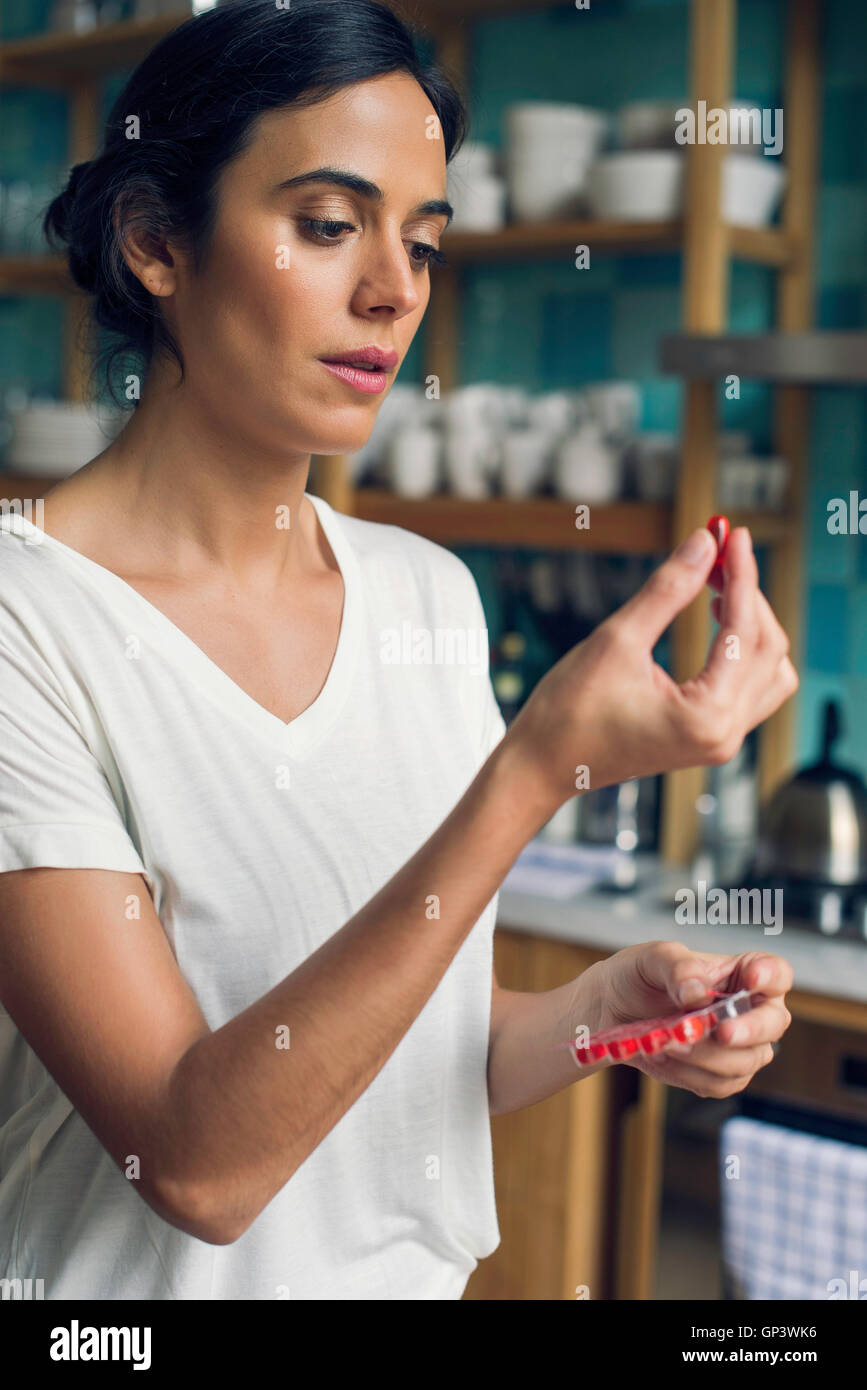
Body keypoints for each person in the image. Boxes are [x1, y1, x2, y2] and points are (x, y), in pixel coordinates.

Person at [0, 0, 797, 1300]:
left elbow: (395, 1052)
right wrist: (536, 764)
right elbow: (196, 1159)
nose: (395, 289)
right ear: (155, 240)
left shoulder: (424, 595)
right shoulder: (27, 620)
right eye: (327, 224)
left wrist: (602, 1011)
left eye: (422, 241)